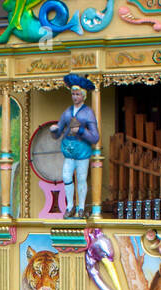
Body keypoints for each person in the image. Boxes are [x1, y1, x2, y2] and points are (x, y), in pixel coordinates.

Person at [50, 73, 100, 218]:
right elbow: (59, 131)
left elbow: (95, 137)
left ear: (83, 96)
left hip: (82, 151)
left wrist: (81, 130)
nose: (75, 97)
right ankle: (70, 206)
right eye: (73, 94)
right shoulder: (67, 112)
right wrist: (54, 130)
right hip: (68, 150)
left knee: (82, 179)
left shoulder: (88, 113)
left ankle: (81, 207)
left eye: (78, 94)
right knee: (66, 177)